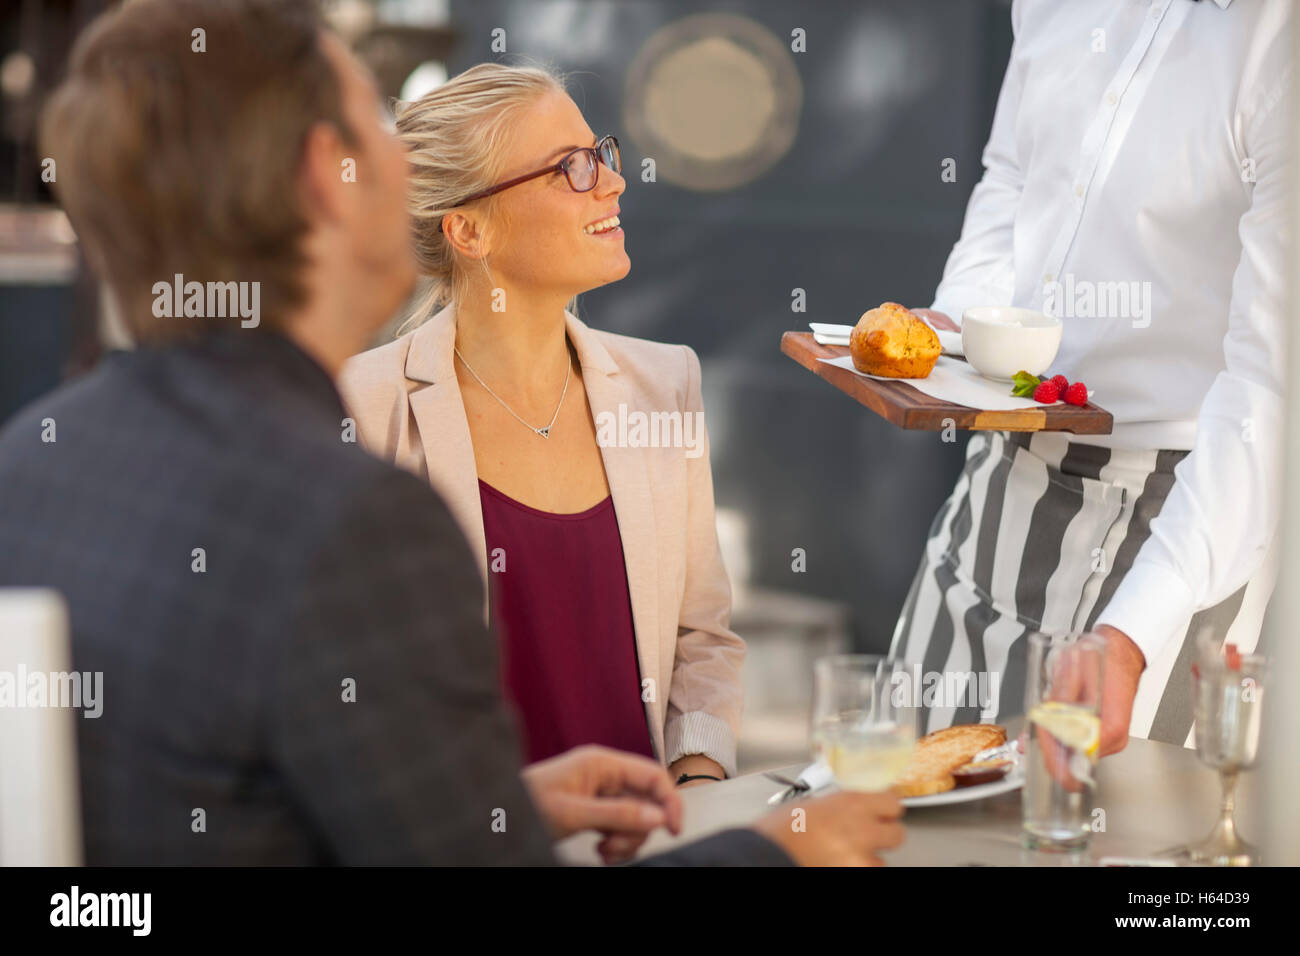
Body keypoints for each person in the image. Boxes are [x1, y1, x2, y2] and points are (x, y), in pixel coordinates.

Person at [0, 0, 905, 866]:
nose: (403, 169)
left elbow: (265, 786)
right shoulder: (351, 509)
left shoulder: (36, 458)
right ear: (330, 172)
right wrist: (772, 854)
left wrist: (506, 799)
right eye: (380, 133)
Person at [892, 0, 1289, 753]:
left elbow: (1270, 393)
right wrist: (961, 320)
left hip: (1186, 513)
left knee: (1095, 831)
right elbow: (1013, 174)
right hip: (1004, 475)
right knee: (902, 792)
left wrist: (1131, 634)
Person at [340, 64, 741, 786]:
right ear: (468, 228)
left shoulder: (666, 384)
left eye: (601, 154)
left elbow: (703, 638)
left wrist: (700, 783)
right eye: (570, 169)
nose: (613, 182)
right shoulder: (361, 413)